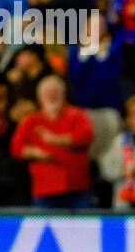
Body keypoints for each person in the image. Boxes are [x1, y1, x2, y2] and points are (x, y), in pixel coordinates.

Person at [10, 76, 95, 209]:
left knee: (82, 228)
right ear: (40, 97)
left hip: (76, 188)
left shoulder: (77, 115)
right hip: (44, 191)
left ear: (64, 94)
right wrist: (35, 152)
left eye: (55, 92)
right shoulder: (31, 121)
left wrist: (55, 139)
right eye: (47, 93)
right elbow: (16, 148)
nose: (52, 96)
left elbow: (86, 136)